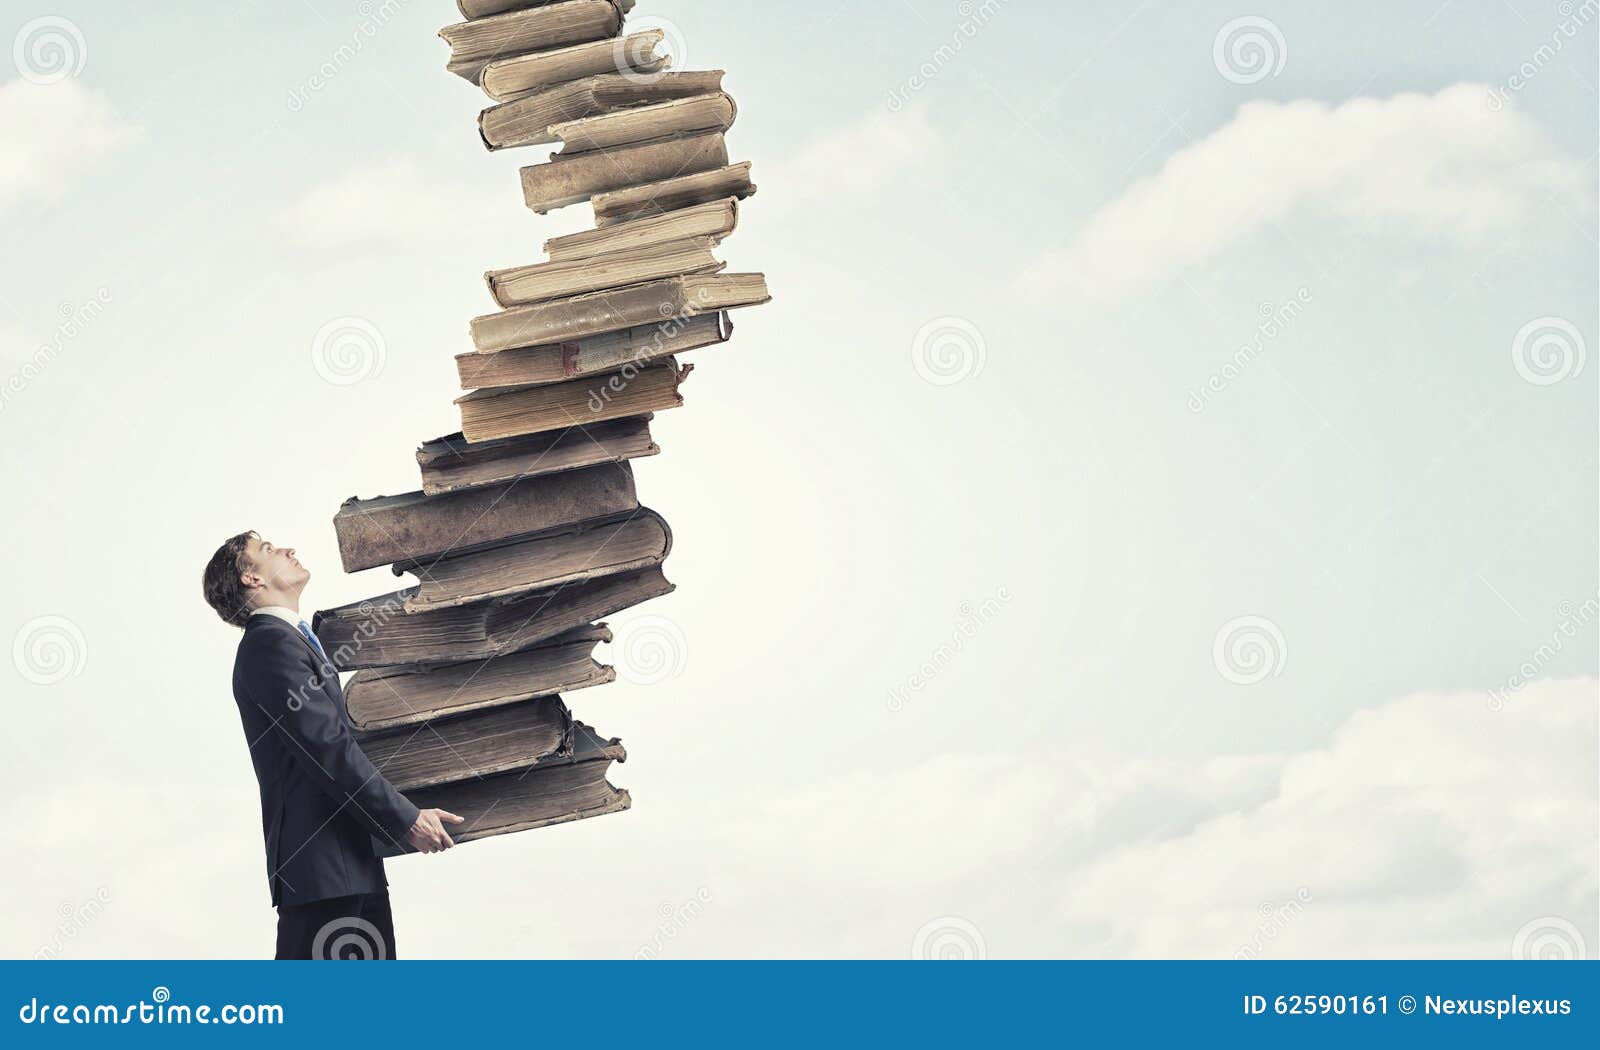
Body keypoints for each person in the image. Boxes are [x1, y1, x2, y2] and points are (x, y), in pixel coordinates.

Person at [201, 531, 463, 959]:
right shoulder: (269, 644)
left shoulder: (292, 639)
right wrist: (405, 819)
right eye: (267, 550)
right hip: (322, 872)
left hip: (347, 865)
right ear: (251, 578)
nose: (287, 549)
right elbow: (328, 748)